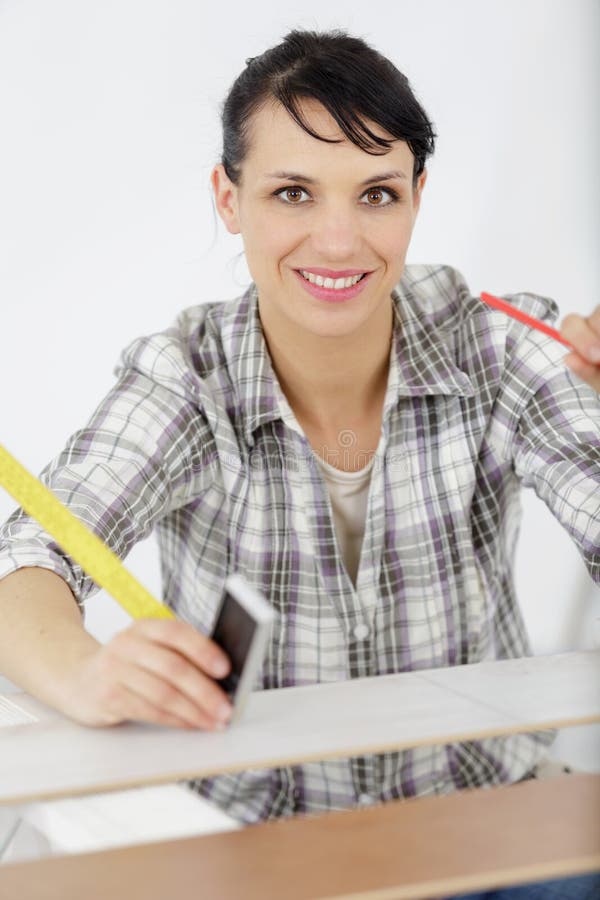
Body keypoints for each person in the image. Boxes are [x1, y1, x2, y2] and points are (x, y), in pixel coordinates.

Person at [0, 28, 599, 898]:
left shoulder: (503, 346)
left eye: (377, 194)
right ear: (229, 197)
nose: (338, 240)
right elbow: (26, 560)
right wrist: (85, 671)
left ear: (418, 197)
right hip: (262, 852)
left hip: (491, 821)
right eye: (292, 191)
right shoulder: (188, 374)